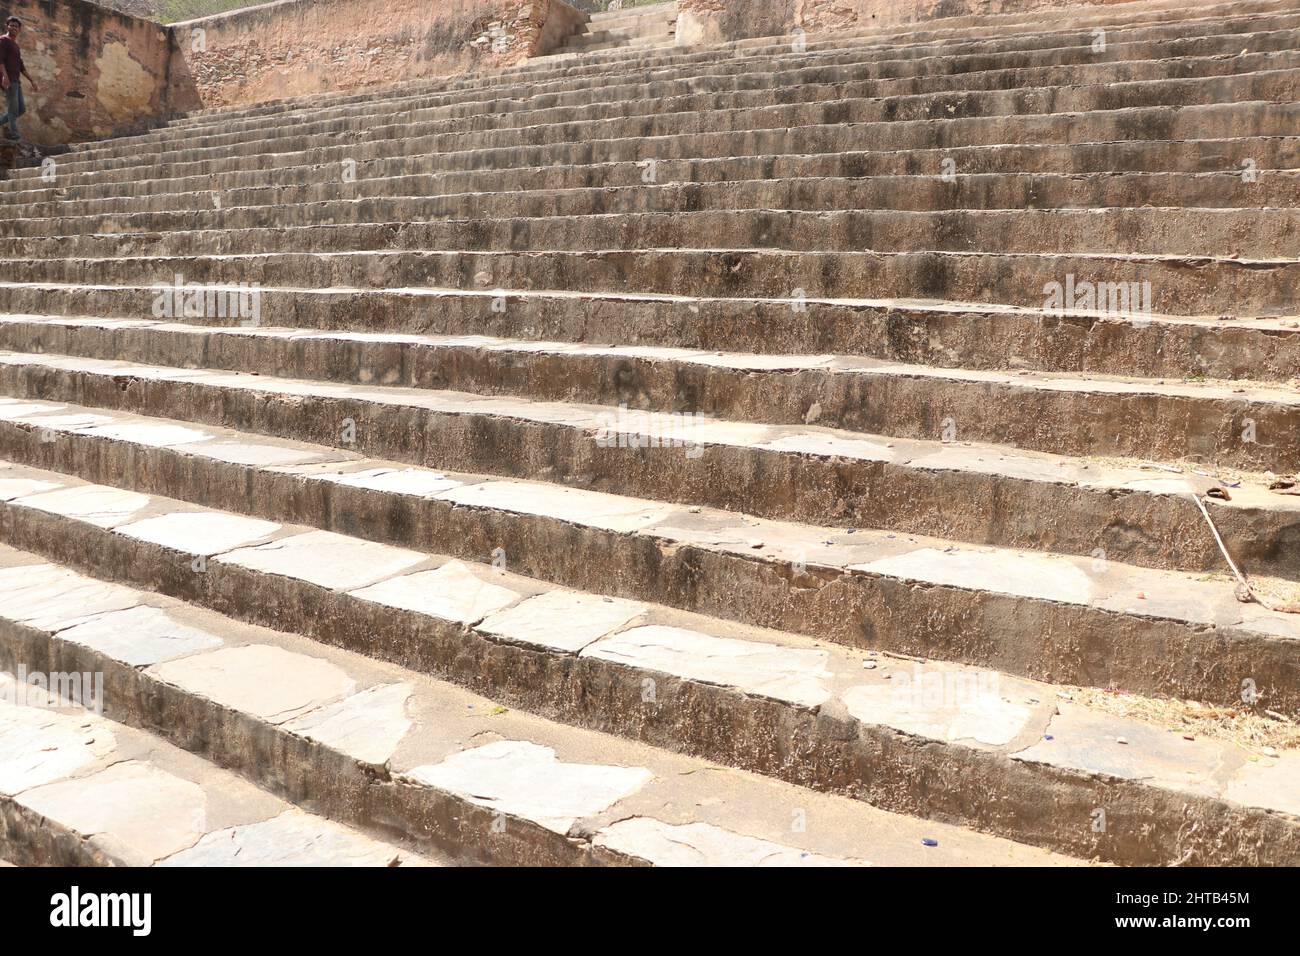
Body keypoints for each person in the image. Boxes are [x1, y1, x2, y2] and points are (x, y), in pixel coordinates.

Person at [0, 16, 37, 140]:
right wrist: (4, 77)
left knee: (21, 109)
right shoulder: (3, 40)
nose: (14, 27)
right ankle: (15, 135)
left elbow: (21, 66)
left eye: (16, 26)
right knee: (13, 108)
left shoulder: (16, 45)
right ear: (7, 26)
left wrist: (32, 80)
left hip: (16, 80)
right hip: (9, 79)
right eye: (11, 25)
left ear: (19, 29)